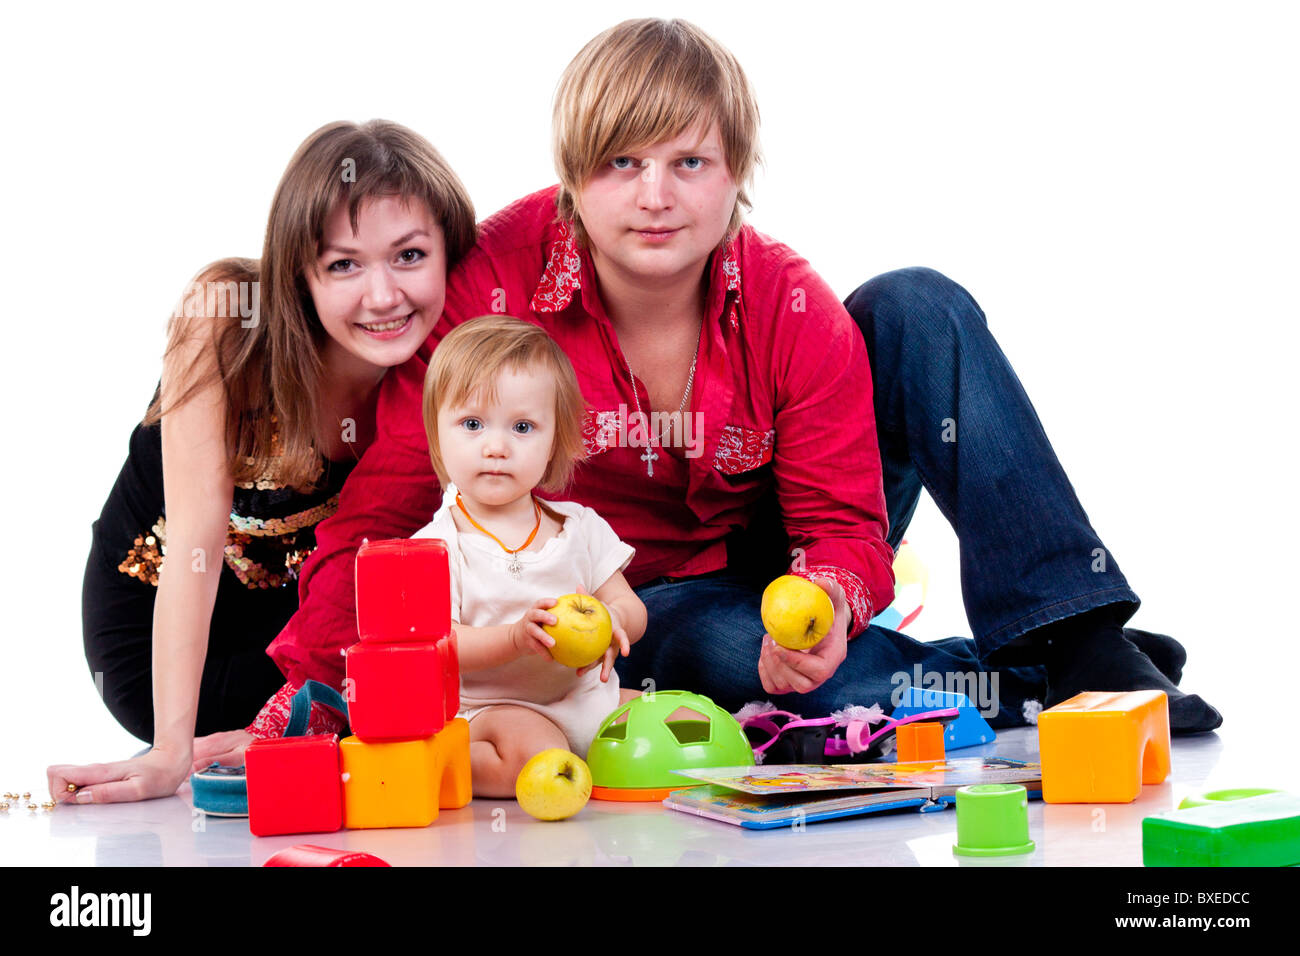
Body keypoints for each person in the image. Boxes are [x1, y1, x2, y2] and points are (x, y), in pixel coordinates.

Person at [197, 17, 1218, 774]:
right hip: (641, 593)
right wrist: (310, 693)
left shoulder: (790, 304)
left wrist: (824, 599)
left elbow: (845, 523)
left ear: (735, 173)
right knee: (790, 684)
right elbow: (385, 505)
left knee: (916, 304)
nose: (655, 196)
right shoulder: (495, 284)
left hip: (775, 549)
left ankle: (1073, 631)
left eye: (690, 162)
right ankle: (1013, 677)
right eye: (622, 164)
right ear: (571, 177)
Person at [49, 120, 477, 805]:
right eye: (344, 264)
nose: (383, 295)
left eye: (409, 255)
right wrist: (166, 752)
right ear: (299, 273)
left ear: (451, 257)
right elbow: (195, 535)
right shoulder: (225, 318)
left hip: (301, 631)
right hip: (162, 624)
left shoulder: (449, 368)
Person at [412, 316, 646, 794]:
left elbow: (630, 607)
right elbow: (439, 648)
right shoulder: (435, 545)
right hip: (493, 710)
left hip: (583, 697)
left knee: (679, 718)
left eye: (522, 427)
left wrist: (613, 622)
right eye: (472, 424)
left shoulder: (579, 527)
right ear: (437, 433)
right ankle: (445, 761)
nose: (496, 447)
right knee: (541, 754)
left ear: (553, 442)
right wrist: (515, 639)